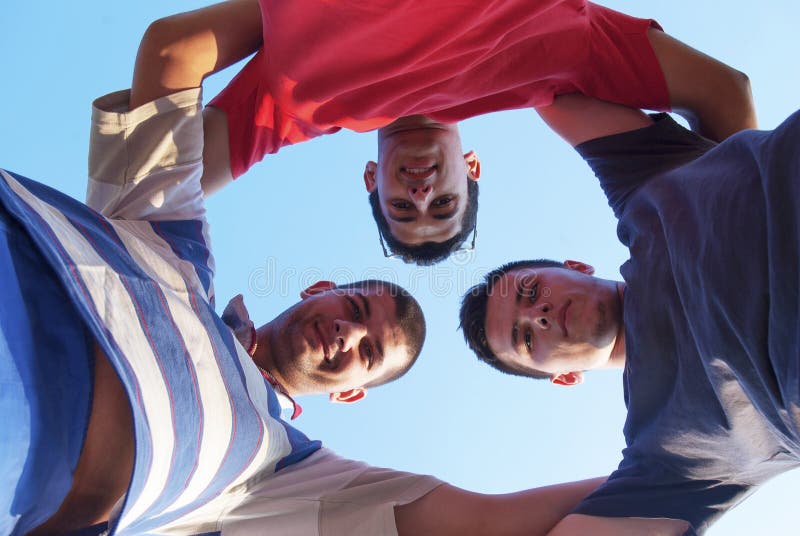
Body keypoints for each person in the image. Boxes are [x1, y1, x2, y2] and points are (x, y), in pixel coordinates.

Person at [2, 2, 606, 534]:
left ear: (348, 394)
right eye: (354, 309)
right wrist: (339, 18)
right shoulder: (169, 240)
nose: (348, 334)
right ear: (319, 291)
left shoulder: (273, 476)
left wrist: (685, 463)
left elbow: (487, 523)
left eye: (367, 353)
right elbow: (173, 52)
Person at [459, 88, 800, 534]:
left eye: (530, 290)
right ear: (563, 378)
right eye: (525, 339)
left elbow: (538, 71)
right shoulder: (661, 455)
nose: (538, 315)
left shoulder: (642, 185)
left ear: (576, 267)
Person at [201, 0, 756, 264]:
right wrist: (741, 253)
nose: (422, 196)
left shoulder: (300, 104)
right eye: (444, 205)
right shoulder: (550, 77)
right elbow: (724, 92)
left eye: (402, 208)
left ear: (373, 180)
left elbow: (164, 182)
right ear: (472, 170)